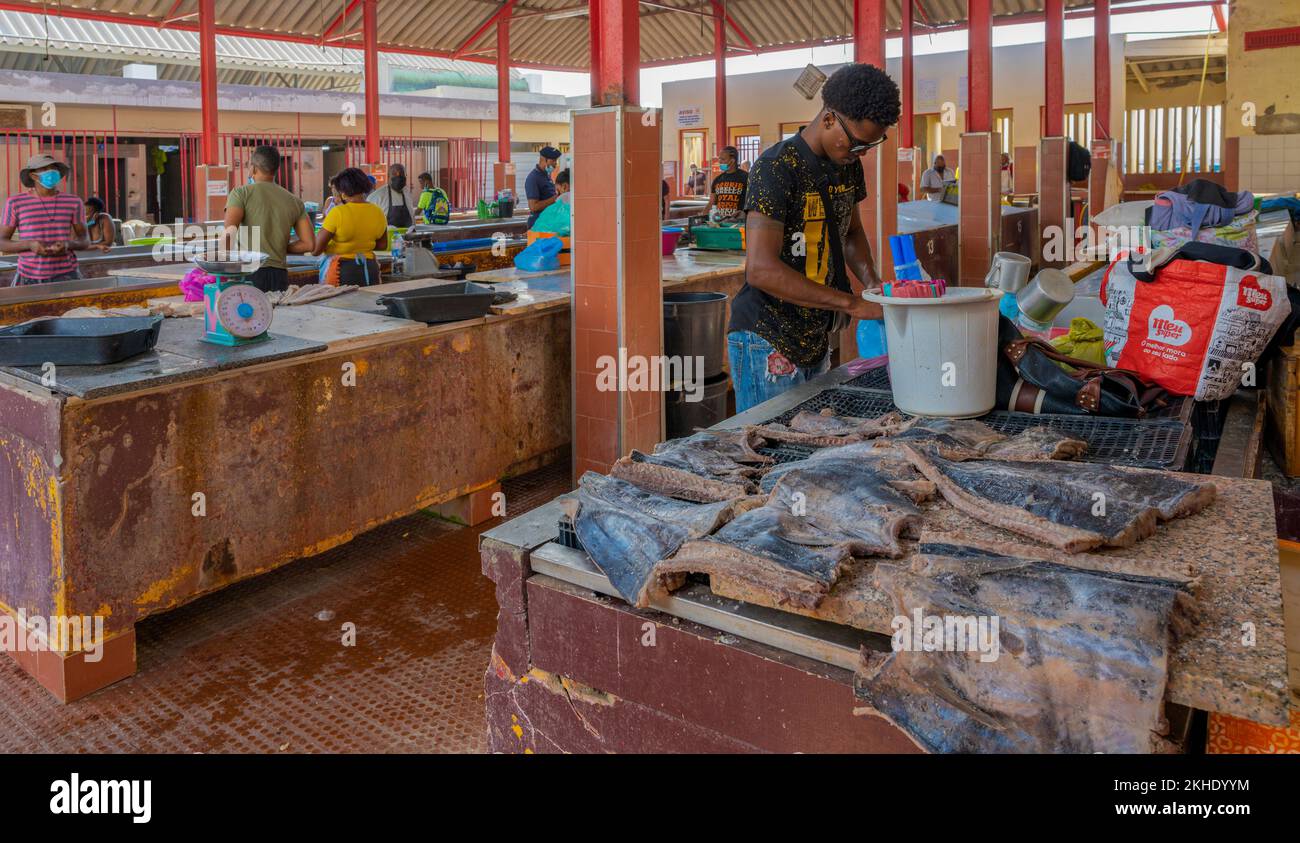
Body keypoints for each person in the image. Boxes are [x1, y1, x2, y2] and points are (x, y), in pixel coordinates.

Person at [728, 62, 899, 413]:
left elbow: (850, 232)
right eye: (856, 143)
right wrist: (851, 303)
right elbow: (760, 270)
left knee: (805, 442)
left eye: (870, 146)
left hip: (816, 335)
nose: (860, 153)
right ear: (828, 119)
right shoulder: (776, 168)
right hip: (768, 336)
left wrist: (872, 283)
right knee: (769, 451)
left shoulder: (847, 166)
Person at [222, 145, 314, 293]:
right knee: (275, 314)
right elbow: (309, 244)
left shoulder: (241, 193)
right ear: (276, 169)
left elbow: (229, 233)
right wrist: (279, 247)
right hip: (279, 274)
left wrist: (224, 269)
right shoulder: (294, 201)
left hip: (248, 271)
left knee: (248, 314)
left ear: (253, 168)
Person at [0, 154, 89, 286]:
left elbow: (84, 240)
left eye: (54, 168)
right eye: (44, 168)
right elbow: (2, 242)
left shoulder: (73, 202)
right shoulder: (15, 203)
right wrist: (29, 245)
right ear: (33, 175)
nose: (51, 172)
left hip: (67, 275)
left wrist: (67, 245)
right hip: (28, 277)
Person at [314, 167, 389, 287]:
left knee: (338, 304)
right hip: (369, 269)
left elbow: (316, 249)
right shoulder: (378, 212)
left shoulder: (337, 213)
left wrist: (342, 246)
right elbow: (382, 245)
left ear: (343, 193)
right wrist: (361, 245)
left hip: (342, 271)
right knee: (368, 304)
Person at [366, 163, 417, 228]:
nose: (398, 177)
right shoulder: (376, 197)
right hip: (387, 237)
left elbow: (412, 219)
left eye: (401, 174)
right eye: (394, 174)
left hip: (408, 237)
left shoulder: (407, 194)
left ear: (406, 176)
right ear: (388, 177)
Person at [706, 145, 748, 224]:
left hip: (738, 223)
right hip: (720, 223)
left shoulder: (746, 177)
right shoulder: (717, 180)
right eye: (719, 158)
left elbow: (751, 201)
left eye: (723, 159)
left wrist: (745, 214)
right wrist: (702, 215)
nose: (719, 161)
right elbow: (711, 202)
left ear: (732, 161)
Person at [524, 146, 562, 228]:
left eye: (556, 160)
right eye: (553, 160)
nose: (555, 164)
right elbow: (533, 207)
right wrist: (556, 198)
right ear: (544, 160)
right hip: (538, 224)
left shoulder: (546, 176)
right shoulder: (533, 178)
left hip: (547, 222)